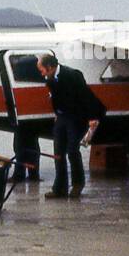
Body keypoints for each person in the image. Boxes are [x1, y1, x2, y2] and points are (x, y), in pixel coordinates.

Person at [36, 54, 106, 199]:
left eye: (42, 70)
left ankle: (78, 184)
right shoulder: (50, 79)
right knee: (58, 153)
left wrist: (92, 117)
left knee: (72, 151)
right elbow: (56, 97)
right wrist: (57, 113)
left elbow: (86, 96)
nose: (41, 74)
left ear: (50, 67)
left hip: (76, 117)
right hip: (62, 117)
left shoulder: (73, 75)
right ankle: (59, 188)